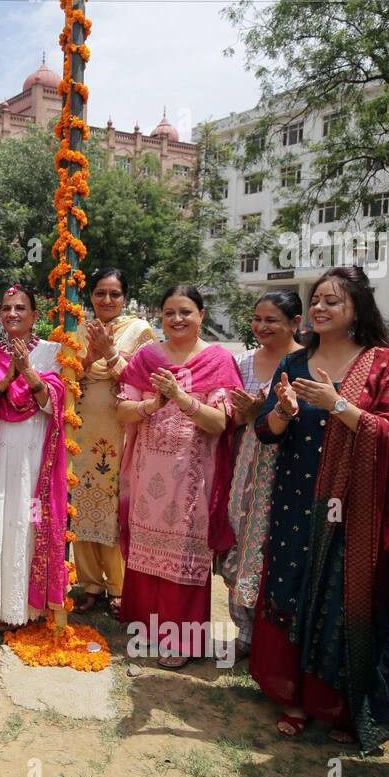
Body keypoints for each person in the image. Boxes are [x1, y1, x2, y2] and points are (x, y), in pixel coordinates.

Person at [250, 266, 389, 750]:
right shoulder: (294, 363)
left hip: (358, 509)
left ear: (357, 309)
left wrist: (338, 405)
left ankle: (343, 704)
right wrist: (283, 411)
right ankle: (298, 698)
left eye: (333, 301)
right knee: (295, 585)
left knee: (345, 598)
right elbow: (265, 432)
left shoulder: (385, 363)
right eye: (317, 300)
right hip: (297, 500)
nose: (321, 308)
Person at [115, 285, 241, 668]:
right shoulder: (147, 357)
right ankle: (147, 629)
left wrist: (182, 399)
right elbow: (123, 412)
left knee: (186, 550)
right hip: (147, 468)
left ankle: (181, 640)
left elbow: (220, 422)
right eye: (169, 312)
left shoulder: (217, 360)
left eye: (185, 311)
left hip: (192, 475)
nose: (177, 319)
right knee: (147, 548)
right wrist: (153, 403)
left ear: (201, 315)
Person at [0, 285, 69, 631]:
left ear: (35, 316)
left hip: (33, 450)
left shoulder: (52, 351)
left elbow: (56, 404)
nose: (12, 313)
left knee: (24, 517)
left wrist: (30, 373)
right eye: (6, 308)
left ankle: (18, 607)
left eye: (21, 308)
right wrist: (4, 380)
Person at [216, 292, 304, 656]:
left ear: (295, 323)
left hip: (286, 469)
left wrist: (267, 413)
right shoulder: (242, 362)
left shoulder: (303, 364)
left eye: (272, 320)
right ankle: (245, 632)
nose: (262, 327)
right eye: (257, 319)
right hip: (241, 465)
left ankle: (273, 638)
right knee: (236, 542)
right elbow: (225, 415)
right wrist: (248, 414)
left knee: (272, 548)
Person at [71, 268, 157, 616]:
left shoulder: (139, 331)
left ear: (125, 297)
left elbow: (144, 380)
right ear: (91, 295)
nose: (107, 300)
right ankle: (90, 583)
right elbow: (66, 377)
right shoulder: (78, 329)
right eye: (100, 293)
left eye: (114, 294)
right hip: (81, 432)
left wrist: (109, 354)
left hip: (120, 432)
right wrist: (87, 359)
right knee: (81, 498)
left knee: (115, 506)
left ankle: (119, 586)